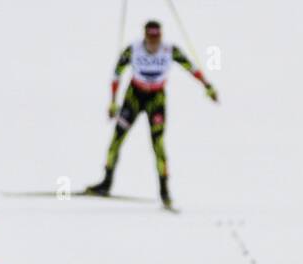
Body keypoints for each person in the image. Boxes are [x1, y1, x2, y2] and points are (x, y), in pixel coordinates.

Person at [84, 19, 218, 207]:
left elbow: (192, 68)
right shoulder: (133, 49)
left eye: (157, 37)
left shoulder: (170, 50)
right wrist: (113, 102)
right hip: (134, 97)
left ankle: (165, 192)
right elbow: (116, 73)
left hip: (156, 99)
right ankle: (106, 183)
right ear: (145, 36)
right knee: (116, 139)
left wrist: (208, 86)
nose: (154, 41)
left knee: (158, 145)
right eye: (150, 37)